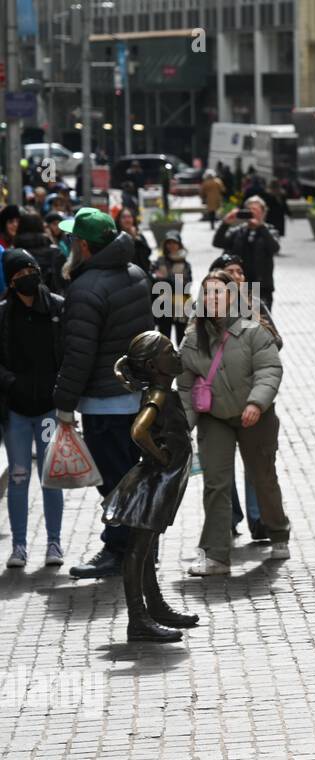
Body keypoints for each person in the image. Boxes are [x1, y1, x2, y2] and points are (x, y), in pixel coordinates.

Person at [53, 207, 156, 579]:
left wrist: (64, 404)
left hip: (103, 403)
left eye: (71, 240)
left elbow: (79, 354)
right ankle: (142, 547)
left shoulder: (84, 288)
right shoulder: (136, 275)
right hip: (135, 398)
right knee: (133, 476)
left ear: (83, 245)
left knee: (114, 484)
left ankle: (119, 549)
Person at [178, 270, 291, 575]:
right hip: (215, 418)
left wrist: (256, 402)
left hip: (256, 417)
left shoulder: (253, 330)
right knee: (216, 483)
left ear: (232, 297)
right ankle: (216, 556)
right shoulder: (191, 340)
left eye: (219, 293)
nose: (213, 299)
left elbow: (269, 369)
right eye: (208, 293)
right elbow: (186, 389)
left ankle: (279, 531)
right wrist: (181, 427)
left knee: (262, 478)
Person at [105, 331, 200, 641]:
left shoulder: (163, 391)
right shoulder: (158, 395)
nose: (176, 356)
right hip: (154, 482)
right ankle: (138, 618)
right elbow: (139, 431)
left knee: (145, 547)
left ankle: (155, 607)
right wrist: (160, 456)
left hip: (162, 481)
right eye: (169, 352)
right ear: (152, 365)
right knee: (138, 549)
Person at [207, 251, 282, 542]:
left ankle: (259, 518)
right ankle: (231, 516)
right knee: (221, 467)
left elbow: (277, 340)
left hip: (253, 396)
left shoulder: (254, 304)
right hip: (218, 401)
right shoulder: (205, 311)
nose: (237, 276)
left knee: (257, 464)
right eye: (230, 272)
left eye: (240, 271)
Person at [0, 249, 66, 568]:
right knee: (18, 476)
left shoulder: (57, 307)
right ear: (11, 282)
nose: (28, 275)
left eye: (31, 269)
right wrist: (12, 383)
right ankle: (19, 546)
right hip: (16, 411)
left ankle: (54, 543)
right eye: (20, 273)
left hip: (47, 410)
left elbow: (68, 353)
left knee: (50, 476)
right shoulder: (3, 315)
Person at [214, 196, 280, 309]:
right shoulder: (237, 232)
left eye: (256, 210)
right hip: (239, 285)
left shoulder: (270, 231)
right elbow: (218, 243)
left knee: (261, 322)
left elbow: (274, 248)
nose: (252, 213)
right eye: (249, 210)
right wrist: (225, 223)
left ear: (263, 213)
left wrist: (261, 227)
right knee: (240, 322)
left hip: (262, 286)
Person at [151, 230, 192, 344]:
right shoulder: (159, 261)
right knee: (163, 338)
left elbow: (185, 286)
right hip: (163, 304)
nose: (171, 246)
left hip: (181, 305)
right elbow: (154, 281)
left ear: (179, 244)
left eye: (174, 242)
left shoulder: (186, 265)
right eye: (168, 243)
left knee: (182, 338)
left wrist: (165, 279)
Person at [14, 210, 66, 293]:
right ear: (42, 227)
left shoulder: (13, 254)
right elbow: (62, 283)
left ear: (19, 228)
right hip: (51, 300)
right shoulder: (56, 252)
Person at [115, 207, 152, 273]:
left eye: (129, 217)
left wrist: (135, 238)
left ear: (133, 219)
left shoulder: (139, 236)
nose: (127, 220)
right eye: (124, 217)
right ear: (119, 220)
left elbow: (146, 255)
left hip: (139, 273)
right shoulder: (115, 237)